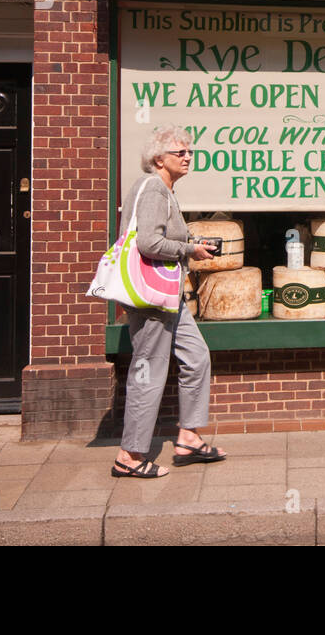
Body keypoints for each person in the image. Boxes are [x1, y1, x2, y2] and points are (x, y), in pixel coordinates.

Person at [111, 125, 227, 478]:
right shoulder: (153, 190)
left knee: (196, 356)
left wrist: (191, 243)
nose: (188, 157)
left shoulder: (163, 190)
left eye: (190, 151)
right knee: (148, 371)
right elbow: (148, 243)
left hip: (167, 298)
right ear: (158, 158)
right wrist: (190, 248)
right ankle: (129, 456)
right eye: (180, 152)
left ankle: (189, 436)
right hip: (151, 300)